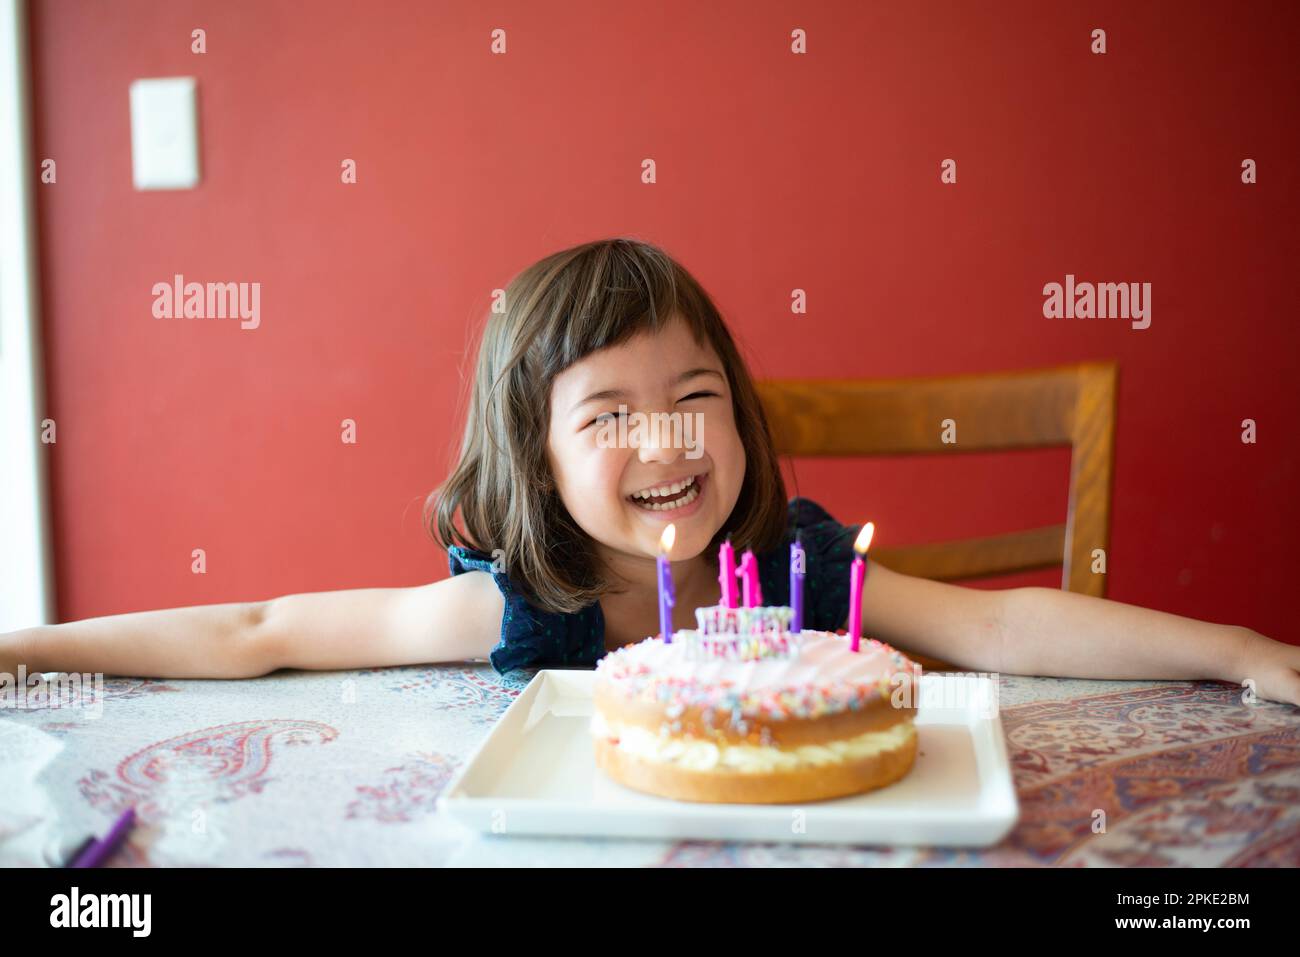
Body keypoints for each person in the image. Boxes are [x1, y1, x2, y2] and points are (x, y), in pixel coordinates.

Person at [5, 238, 1297, 708]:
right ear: (537, 459)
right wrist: (23, 646)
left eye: (695, 398)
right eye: (610, 416)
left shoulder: (788, 569)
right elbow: (261, 630)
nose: (670, 441)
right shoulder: (517, 606)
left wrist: (1240, 649)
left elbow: (1002, 618)